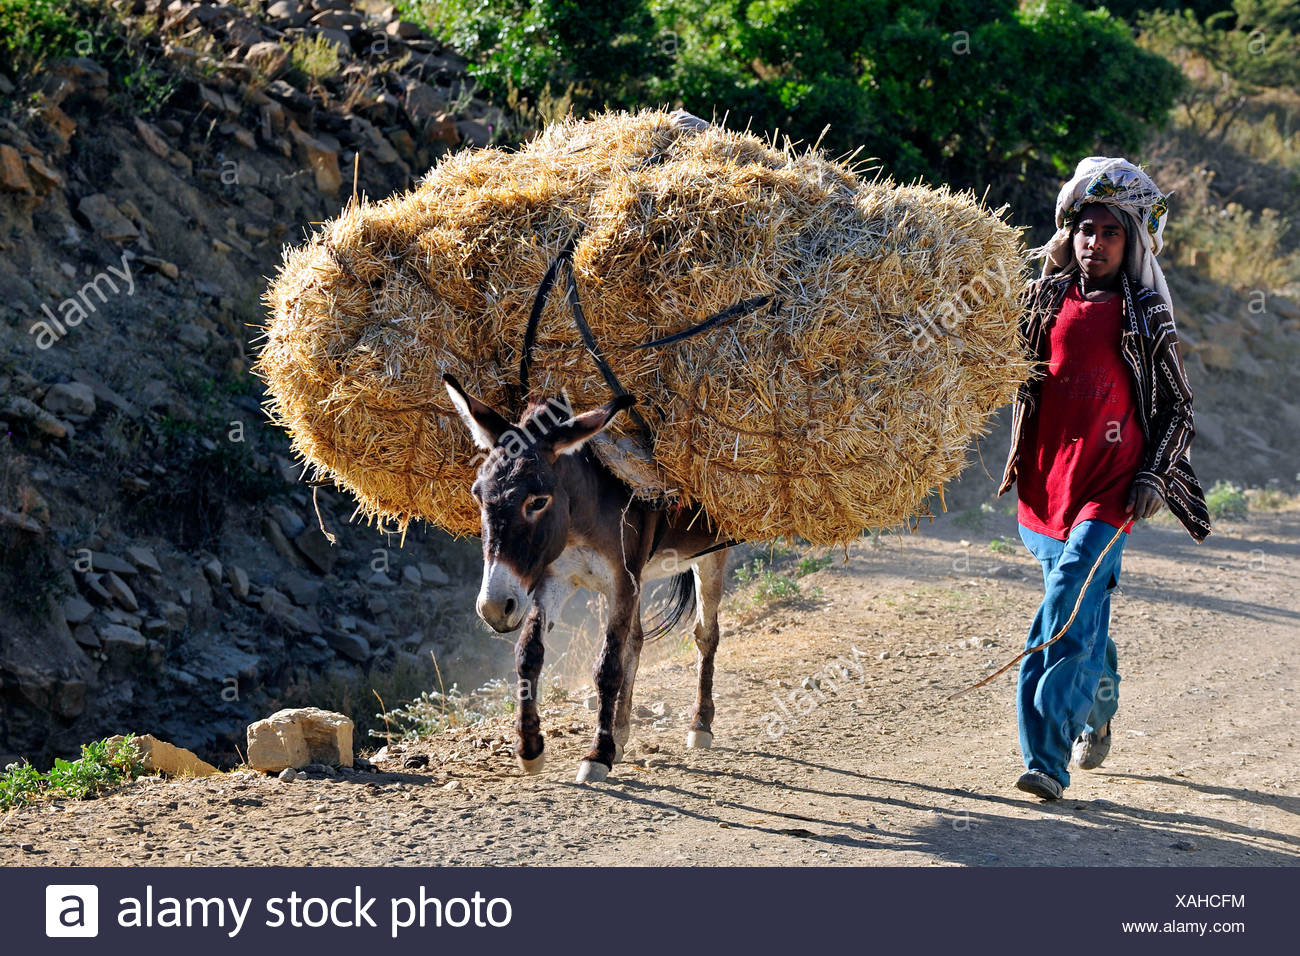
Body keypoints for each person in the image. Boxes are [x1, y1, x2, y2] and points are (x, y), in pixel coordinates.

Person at [996, 157, 1212, 801]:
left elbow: (1179, 408)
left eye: (1110, 232)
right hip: (1046, 486)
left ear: (1132, 243)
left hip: (1111, 487)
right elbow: (1007, 370)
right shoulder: (1043, 300)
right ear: (1070, 235)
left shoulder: (1145, 314)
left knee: (1063, 608)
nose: (1095, 242)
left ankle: (1046, 759)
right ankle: (1102, 704)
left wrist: (1153, 472)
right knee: (1086, 617)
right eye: (1085, 230)